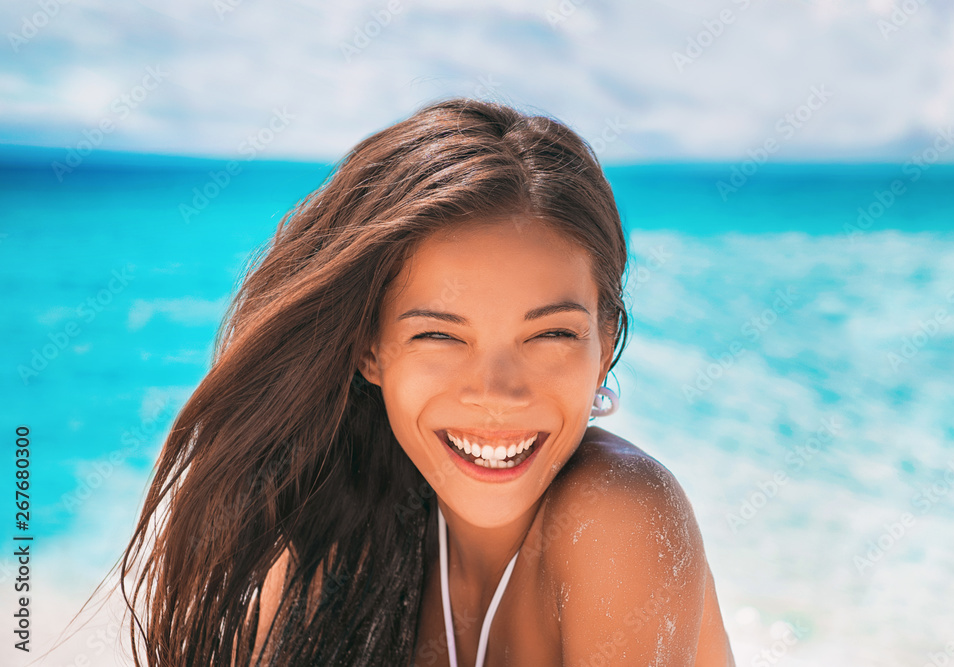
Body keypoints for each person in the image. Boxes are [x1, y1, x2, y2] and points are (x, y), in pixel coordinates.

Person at [117, 97, 735, 666]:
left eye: (550, 335)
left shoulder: (619, 517)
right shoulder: (344, 531)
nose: (496, 392)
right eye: (440, 336)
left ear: (603, 347)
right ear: (370, 350)